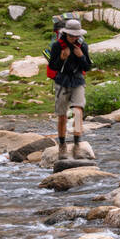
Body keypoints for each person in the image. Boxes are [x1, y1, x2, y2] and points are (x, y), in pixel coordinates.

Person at [48, 18, 92, 159]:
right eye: (71, 35)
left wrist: (81, 57)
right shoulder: (57, 46)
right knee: (62, 115)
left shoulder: (83, 46)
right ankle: (62, 145)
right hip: (62, 81)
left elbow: (87, 67)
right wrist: (61, 57)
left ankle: (77, 145)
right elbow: (53, 66)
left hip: (78, 80)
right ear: (66, 34)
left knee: (78, 111)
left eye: (76, 35)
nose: (74, 38)